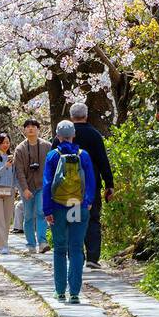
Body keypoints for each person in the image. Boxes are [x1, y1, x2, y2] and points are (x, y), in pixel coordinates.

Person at [43, 120, 96, 303]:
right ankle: (75, 293)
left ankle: (60, 291)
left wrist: (47, 209)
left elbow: (47, 184)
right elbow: (91, 181)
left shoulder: (52, 156)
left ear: (57, 136)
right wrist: (88, 202)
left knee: (59, 249)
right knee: (76, 248)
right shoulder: (84, 155)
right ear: (74, 135)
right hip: (78, 205)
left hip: (57, 206)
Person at [68, 102, 114, 269]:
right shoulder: (94, 135)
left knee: (73, 218)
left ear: (71, 116)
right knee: (93, 218)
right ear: (86, 115)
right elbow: (103, 160)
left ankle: (76, 255)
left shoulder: (64, 134)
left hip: (69, 186)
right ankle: (92, 258)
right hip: (91, 183)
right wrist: (109, 184)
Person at [13, 118, 52, 253]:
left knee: (41, 212)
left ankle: (42, 242)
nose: (31, 129)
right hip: (27, 186)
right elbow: (19, 171)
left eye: (33, 126)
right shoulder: (20, 149)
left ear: (38, 129)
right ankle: (30, 243)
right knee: (29, 215)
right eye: (28, 126)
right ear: (24, 130)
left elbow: (52, 167)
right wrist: (24, 189)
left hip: (43, 185)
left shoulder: (47, 146)